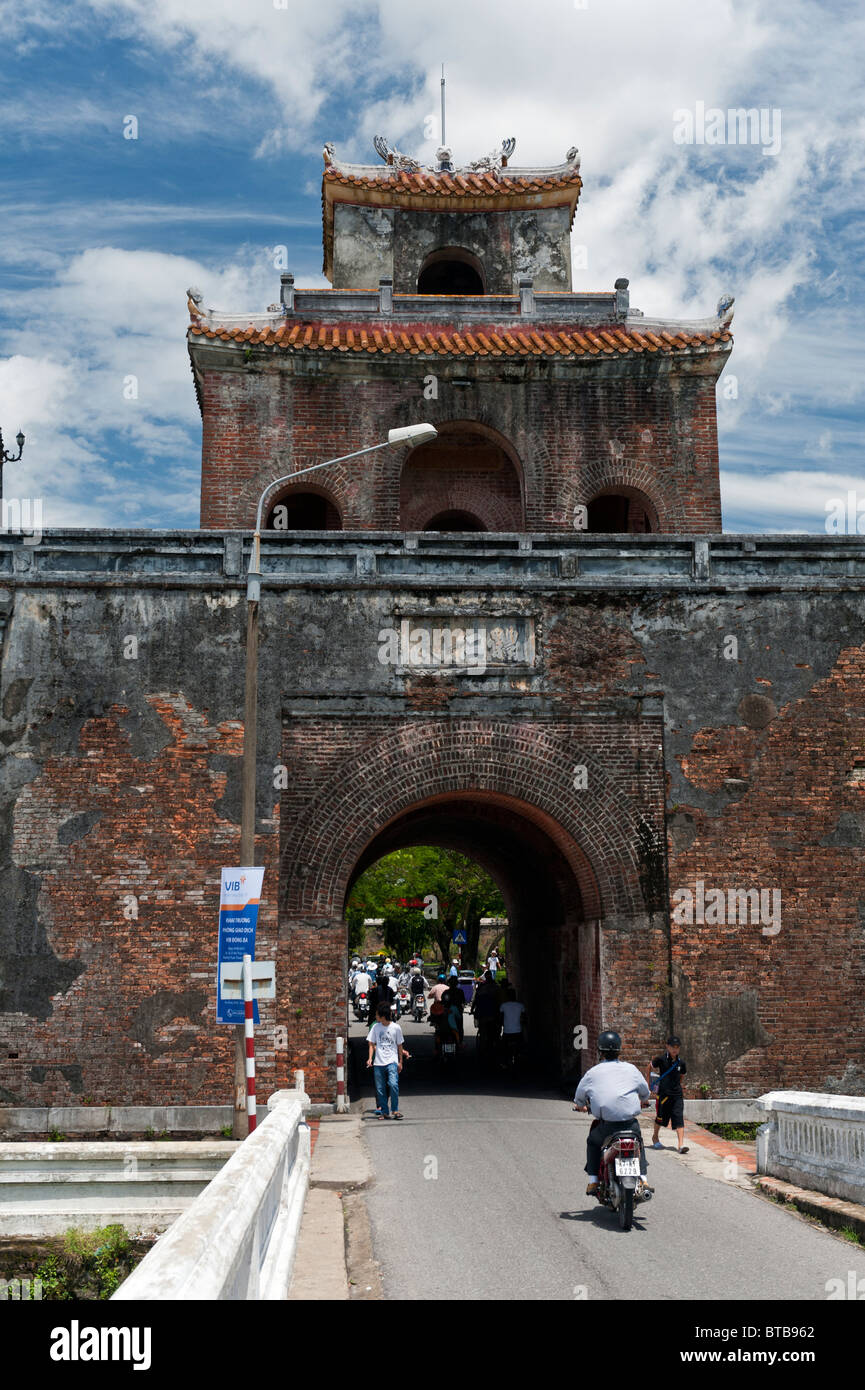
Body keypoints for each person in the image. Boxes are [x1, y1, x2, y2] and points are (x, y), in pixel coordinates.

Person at [573, 1030, 651, 1197]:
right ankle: (643, 1179)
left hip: (607, 1126)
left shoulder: (592, 1073)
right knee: (638, 1142)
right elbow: (645, 1092)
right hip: (630, 1124)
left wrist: (580, 1106)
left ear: (600, 1052)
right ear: (619, 1050)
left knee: (593, 1142)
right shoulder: (631, 1069)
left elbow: (580, 1096)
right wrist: (643, 1100)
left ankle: (593, 1180)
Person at [649, 1035, 689, 1154]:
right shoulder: (661, 1059)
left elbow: (682, 1075)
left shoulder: (681, 1063)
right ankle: (655, 1137)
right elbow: (649, 1067)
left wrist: (677, 1086)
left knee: (678, 1117)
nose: (674, 1049)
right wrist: (649, 1084)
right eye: (672, 1047)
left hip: (677, 1095)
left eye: (677, 1047)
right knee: (661, 1118)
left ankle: (681, 1145)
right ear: (667, 1046)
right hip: (663, 1094)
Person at [366, 1003, 406, 1119]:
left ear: (382, 1016)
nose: (376, 1016)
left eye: (377, 1014)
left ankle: (395, 1109)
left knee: (393, 1084)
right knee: (380, 1089)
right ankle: (384, 1111)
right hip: (378, 1063)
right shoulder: (375, 1027)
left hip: (392, 1062)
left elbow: (399, 1046)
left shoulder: (396, 1028)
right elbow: (371, 1044)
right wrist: (370, 1058)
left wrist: (400, 1062)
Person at [471, 971, 501, 1065]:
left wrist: (472, 1009)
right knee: (496, 1031)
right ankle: (497, 1046)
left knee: (483, 1031)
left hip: (483, 1014)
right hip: (494, 1014)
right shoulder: (496, 987)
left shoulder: (481, 987)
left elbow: (476, 1000)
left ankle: (483, 1050)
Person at [499, 986, 526, 1066]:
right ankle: (521, 1057)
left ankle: (503, 1062)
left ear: (507, 996)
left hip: (507, 1032)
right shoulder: (520, 1006)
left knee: (503, 1048)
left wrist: (501, 1024)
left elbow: (500, 1018)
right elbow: (524, 1018)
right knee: (521, 1046)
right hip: (518, 1032)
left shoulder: (503, 1005)